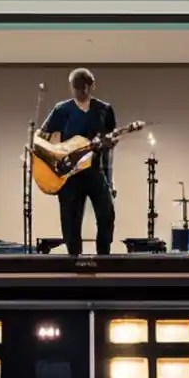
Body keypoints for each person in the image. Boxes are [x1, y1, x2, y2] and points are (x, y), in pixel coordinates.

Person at [36, 67, 117, 256]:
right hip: (70, 174)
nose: (83, 91)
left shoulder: (104, 109)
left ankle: (103, 257)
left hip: (96, 170)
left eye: (86, 86)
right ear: (72, 87)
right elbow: (41, 138)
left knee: (106, 215)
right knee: (71, 220)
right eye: (79, 87)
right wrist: (55, 154)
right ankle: (74, 260)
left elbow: (111, 140)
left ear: (92, 86)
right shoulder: (62, 109)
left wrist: (109, 143)